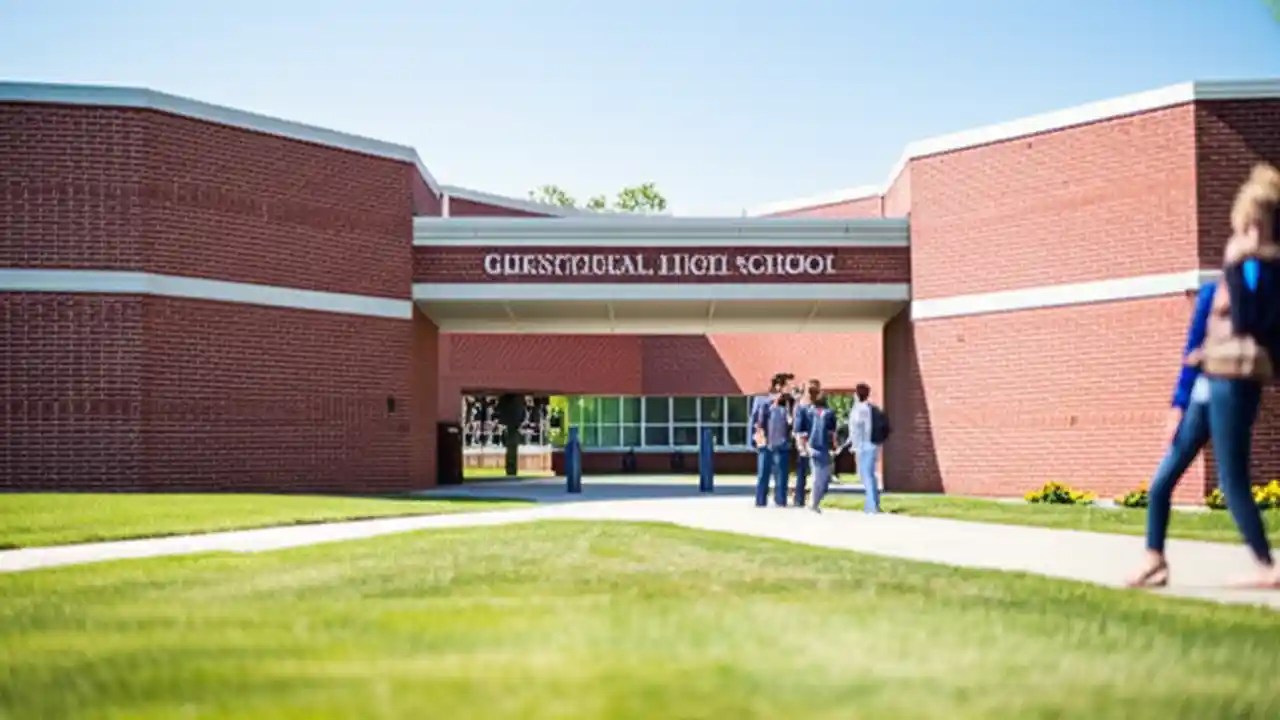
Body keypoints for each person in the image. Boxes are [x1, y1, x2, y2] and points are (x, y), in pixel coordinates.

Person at [1189, 163, 1280, 588]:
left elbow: (1248, 321)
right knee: (1232, 475)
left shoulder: (1261, 270)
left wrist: (1234, 264)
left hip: (1241, 379)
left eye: (1250, 227)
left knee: (1232, 476)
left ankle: (1265, 564)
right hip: (1241, 377)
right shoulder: (1260, 268)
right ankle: (1264, 561)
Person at [1127, 280, 1217, 588]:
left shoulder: (1260, 292)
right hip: (1200, 405)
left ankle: (1267, 564)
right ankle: (1154, 559)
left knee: (1235, 488)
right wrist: (1178, 406)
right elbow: (1192, 351)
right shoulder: (1212, 293)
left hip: (1232, 401)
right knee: (1160, 484)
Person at [752, 383, 793, 507]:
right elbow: (759, 424)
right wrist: (760, 440)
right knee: (763, 474)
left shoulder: (788, 405)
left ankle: (780, 500)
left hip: (782, 445)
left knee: (781, 476)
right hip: (767, 445)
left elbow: (792, 424)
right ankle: (760, 501)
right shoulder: (765, 405)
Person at [798, 392, 838, 513]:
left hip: (812, 446)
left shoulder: (809, 412)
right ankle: (814, 502)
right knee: (823, 476)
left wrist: (803, 446)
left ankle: (814, 501)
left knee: (816, 475)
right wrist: (834, 447)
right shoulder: (830, 414)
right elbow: (832, 433)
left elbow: (803, 432)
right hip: (824, 447)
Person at [849, 383, 882, 513]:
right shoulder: (871, 408)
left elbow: (857, 429)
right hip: (872, 444)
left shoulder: (859, 409)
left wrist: (854, 444)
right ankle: (872, 503)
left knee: (866, 475)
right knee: (870, 475)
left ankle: (872, 505)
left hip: (863, 445)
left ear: (857, 394)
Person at [791, 379, 821, 507]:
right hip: (808, 444)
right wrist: (801, 446)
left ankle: (811, 498)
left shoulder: (817, 408)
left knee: (814, 473)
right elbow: (798, 429)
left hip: (816, 444)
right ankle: (800, 498)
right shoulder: (804, 408)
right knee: (804, 473)